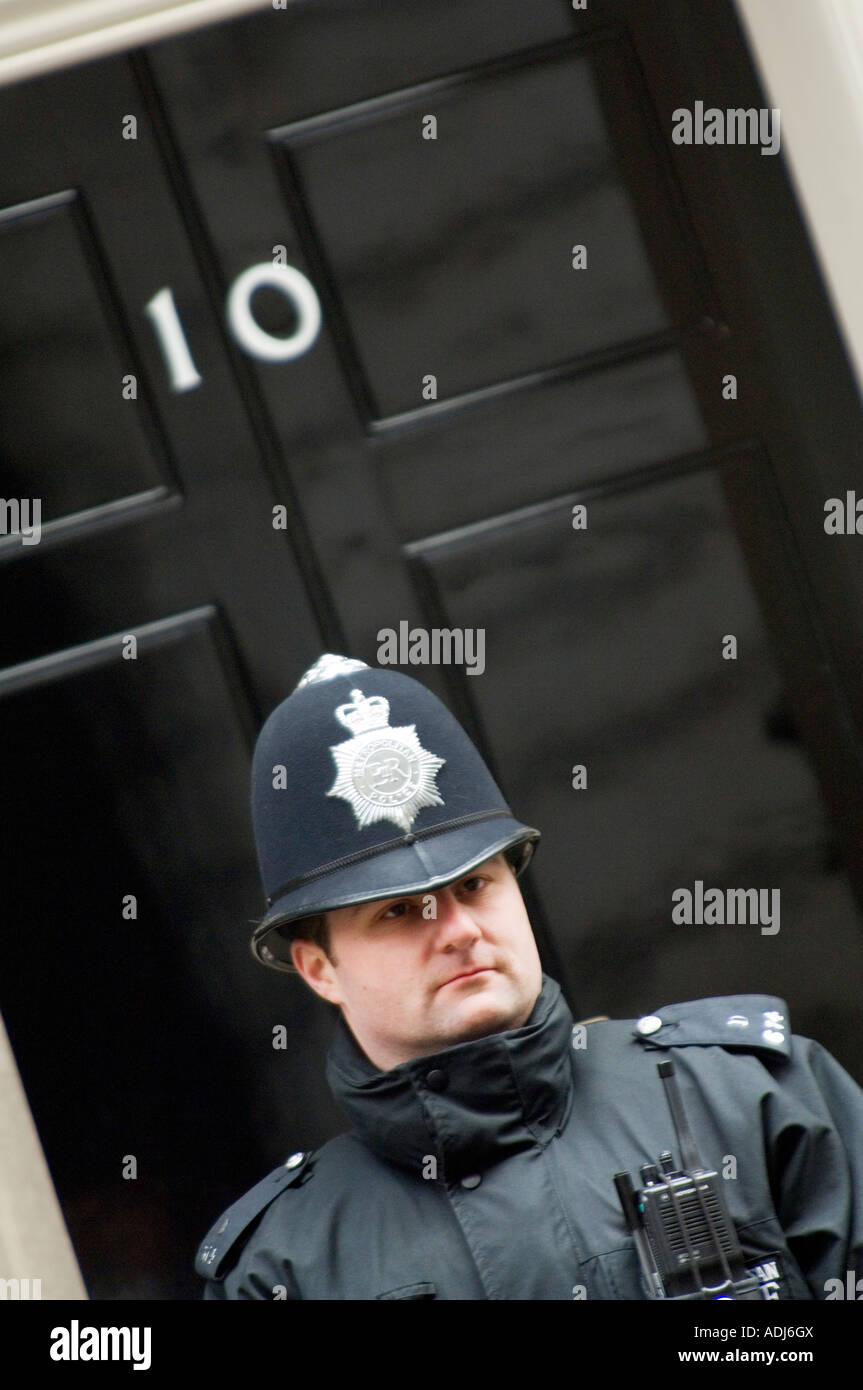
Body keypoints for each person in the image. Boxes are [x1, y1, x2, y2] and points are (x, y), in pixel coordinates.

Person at [196, 654, 863, 1300]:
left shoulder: (748, 1097)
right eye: (400, 911)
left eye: (475, 884)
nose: (457, 928)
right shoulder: (283, 1270)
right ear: (319, 969)